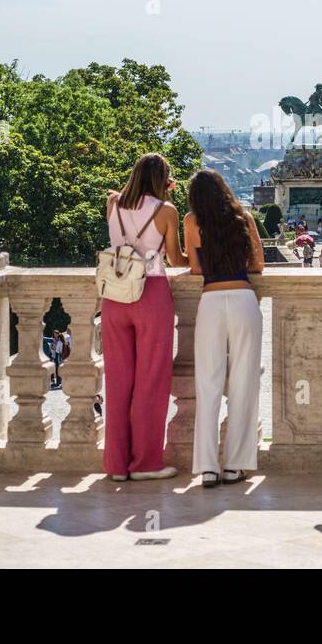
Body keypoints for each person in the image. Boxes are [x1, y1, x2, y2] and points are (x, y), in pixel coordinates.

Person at [101, 153, 186, 483]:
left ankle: (117, 465)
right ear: (163, 179)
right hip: (150, 291)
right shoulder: (166, 211)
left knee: (118, 381)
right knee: (151, 380)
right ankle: (146, 463)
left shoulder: (113, 202)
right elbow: (176, 259)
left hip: (115, 292)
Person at [184, 169, 266, 487]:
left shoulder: (192, 221)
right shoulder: (243, 217)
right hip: (244, 299)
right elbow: (258, 264)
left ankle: (207, 467)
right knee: (244, 383)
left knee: (208, 385)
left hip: (212, 300)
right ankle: (235, 465)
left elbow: (194, 267)